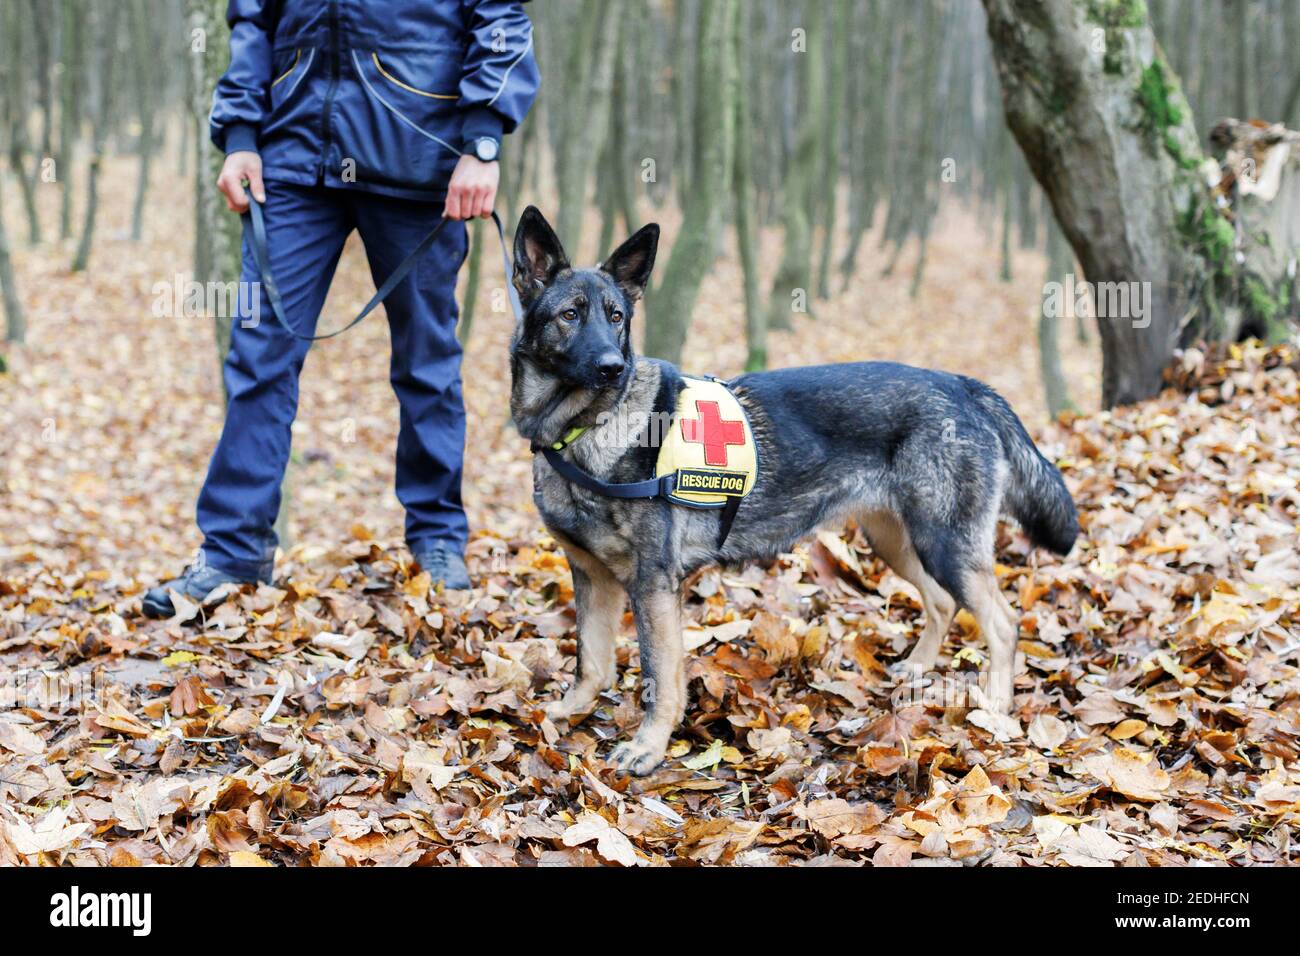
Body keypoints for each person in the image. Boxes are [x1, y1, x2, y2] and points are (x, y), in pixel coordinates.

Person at [143, 0, 539, 618]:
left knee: (427, 363)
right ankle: (232, 555)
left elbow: (501, 18)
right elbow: (252, 20)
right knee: (258, 360)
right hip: (294, 162)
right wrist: (241, 135)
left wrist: (483, 139)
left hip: (419, 160)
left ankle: (437, 541)